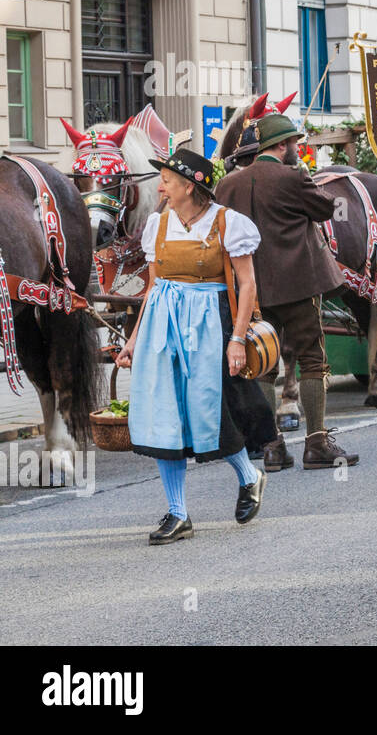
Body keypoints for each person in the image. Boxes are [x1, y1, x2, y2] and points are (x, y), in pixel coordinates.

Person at [116, 149, 270, 545]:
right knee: (165, 414)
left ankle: (249, 476)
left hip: (210, 323)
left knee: (208, 411)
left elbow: (247, 284)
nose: (161, 185)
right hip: (162, 324)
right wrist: (133, 340)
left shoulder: (228, 224)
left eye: (167, 179)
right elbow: (152, 287)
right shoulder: (158, 224)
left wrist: (237, 339)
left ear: (189, 186)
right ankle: (178, 513)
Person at [215, 113, 358, 471]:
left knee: (262, 365)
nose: (297, 148)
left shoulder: (227, 185)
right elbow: (324, 208)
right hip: (299, 285)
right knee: (312, 360)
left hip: (252, 292)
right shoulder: (293, 176)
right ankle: (317, 444)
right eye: (294, 142)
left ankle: (271, 447)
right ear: (280, 146)